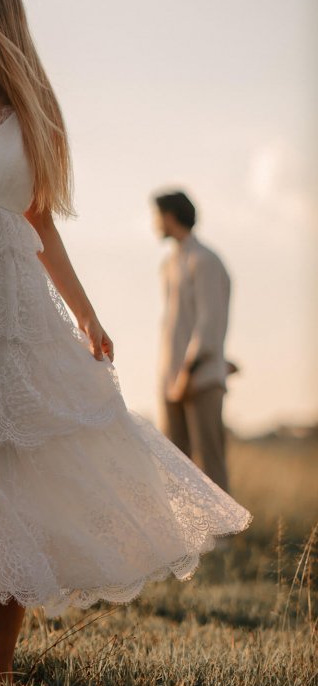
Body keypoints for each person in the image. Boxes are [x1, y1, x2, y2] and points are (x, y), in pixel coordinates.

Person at [0, 0, 252, 686]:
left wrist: (87, 314)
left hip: (11, 319)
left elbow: (40, 223)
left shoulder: (33, 116)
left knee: (10, 481)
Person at [151, 190, 233, 495]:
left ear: (170, 216)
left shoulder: (205, 260)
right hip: (170, 377)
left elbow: (209, 322)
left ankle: (226, 529)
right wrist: (171, 377)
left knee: (210, 466)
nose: (154, 223)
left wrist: (188, 372)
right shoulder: (169, 264)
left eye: (157, 216)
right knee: (176, 467)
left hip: (199, 378)